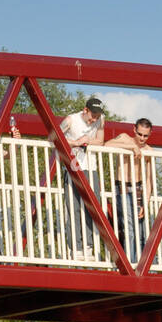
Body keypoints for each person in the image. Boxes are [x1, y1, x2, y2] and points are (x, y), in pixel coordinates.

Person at [59, 96, 105, 254]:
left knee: (93, 206)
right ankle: (76, 247)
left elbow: (101, 141)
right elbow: (54, 137)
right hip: (72, 166)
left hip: (90, 167)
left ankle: (89, 245)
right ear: (85, 110)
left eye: (97, 117)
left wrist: (88, 140)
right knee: (74, 207)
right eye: (93, 116)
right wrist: (77, 142)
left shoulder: (100, 120)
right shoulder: (71, 120)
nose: (94, 120)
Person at [105, 118, 154, 259]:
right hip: (122, 186)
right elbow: (107, 145)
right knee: (129, 228)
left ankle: (139, 263)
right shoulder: (125, 138)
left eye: (146, 136)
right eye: (140, 134)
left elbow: (149, 179)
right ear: (134, 129)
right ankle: (129, 263)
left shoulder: (149, 150)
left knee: (141, 230)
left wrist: (146, 202)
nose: (142, 138)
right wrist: (131, 147)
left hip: (138, 188)